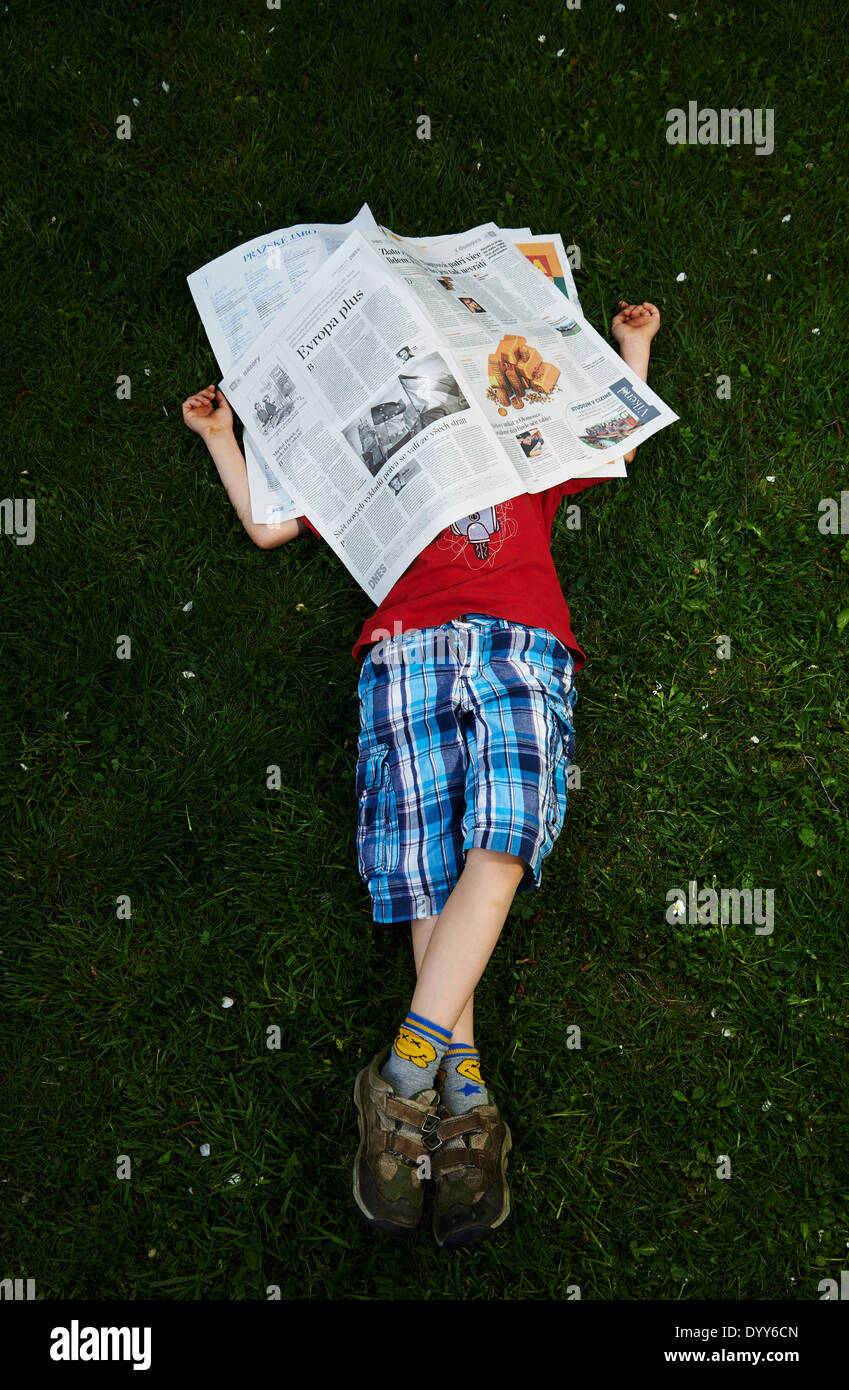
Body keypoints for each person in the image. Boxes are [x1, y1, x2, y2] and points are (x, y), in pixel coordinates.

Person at [181, 299, 661, 1249]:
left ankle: (401, 1077)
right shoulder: (377, 464)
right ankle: (465, 1093)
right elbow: (270, 527)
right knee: (423, 859)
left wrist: (634, 345)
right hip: (403, 653)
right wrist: (220, 436)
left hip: (522, 649)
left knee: (507, 831)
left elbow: (614, 442)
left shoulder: (521, 462)